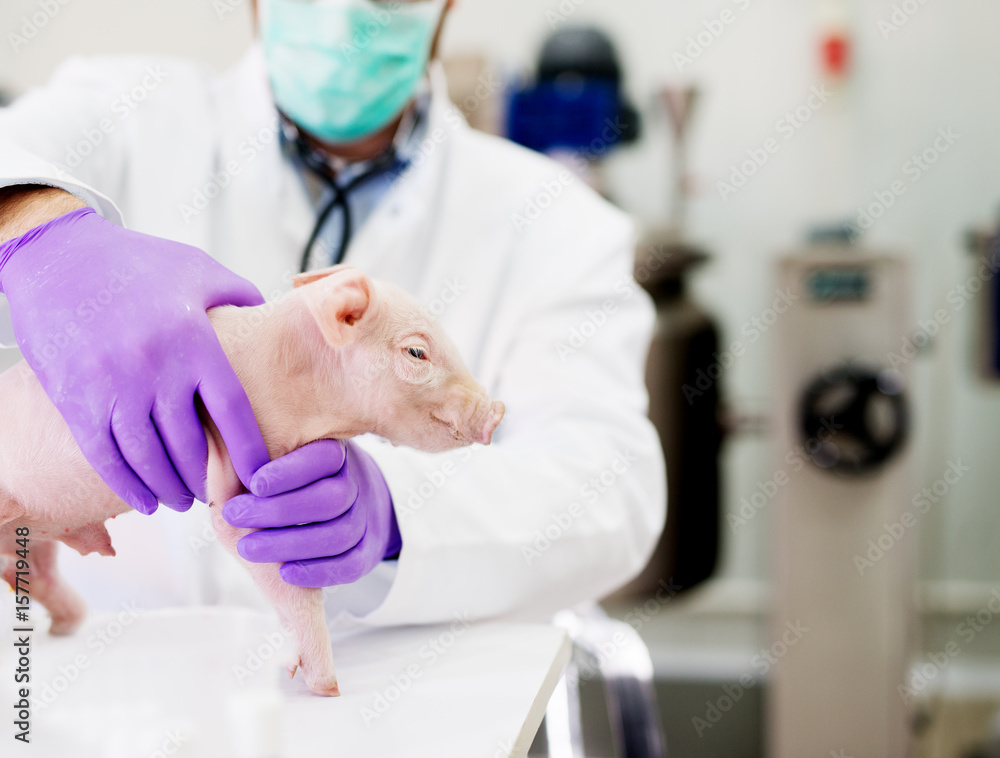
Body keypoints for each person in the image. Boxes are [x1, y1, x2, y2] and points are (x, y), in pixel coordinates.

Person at [0, 0, 665, 627]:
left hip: (419, 722)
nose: (346, 12)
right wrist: (34, 224)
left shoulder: (557, 224)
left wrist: (396, 513)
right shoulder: (125, 114)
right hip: (112, 699)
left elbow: (609, 485)